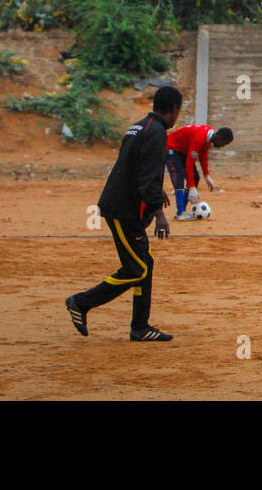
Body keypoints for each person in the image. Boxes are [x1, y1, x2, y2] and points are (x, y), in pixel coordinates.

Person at [66, 86, 181, 341]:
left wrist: (154, 190)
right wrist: (159, 214)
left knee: (144, 265)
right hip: (124, 210)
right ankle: (81, 302)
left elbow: (135, 167)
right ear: (174, 110)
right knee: (136, 269)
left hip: (122, 203)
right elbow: (147, 175)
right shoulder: (157, 133)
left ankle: (140, 327)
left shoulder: (139, 126)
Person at [166, 125, 233, 220]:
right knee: (179, 175)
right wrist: (192, 187)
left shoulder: (209, 138)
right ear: (219, 137)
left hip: (182, 150)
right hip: (171, 147)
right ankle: (180, 212)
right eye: (224, 143)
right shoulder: (199, 138)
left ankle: (182, 211)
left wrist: (206, 175)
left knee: (196, 177)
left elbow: (203, 154)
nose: (222, 146)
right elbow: (189, 164)